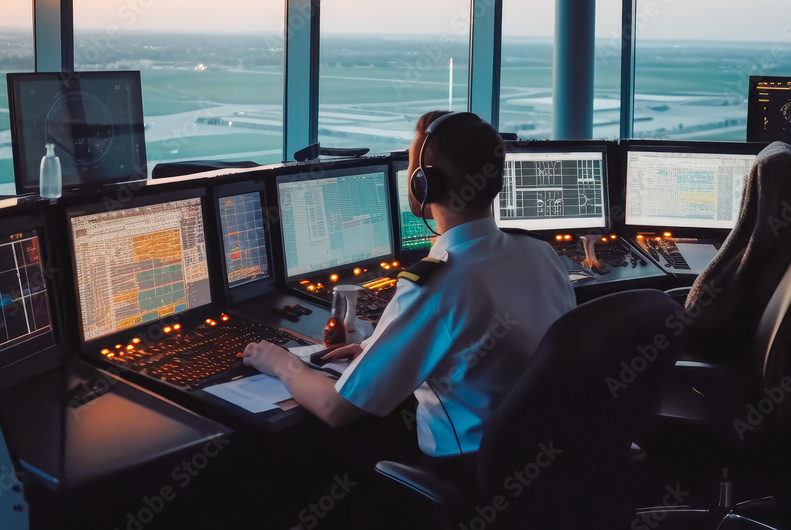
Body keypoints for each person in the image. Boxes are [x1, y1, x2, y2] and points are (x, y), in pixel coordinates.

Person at [243, 110, 577, 460]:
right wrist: (378, 353)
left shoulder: (437, 284)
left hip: (473, 468)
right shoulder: (541, 254)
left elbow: (335, 409)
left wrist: (280, 362)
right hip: (545, 456)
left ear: (423, 185)